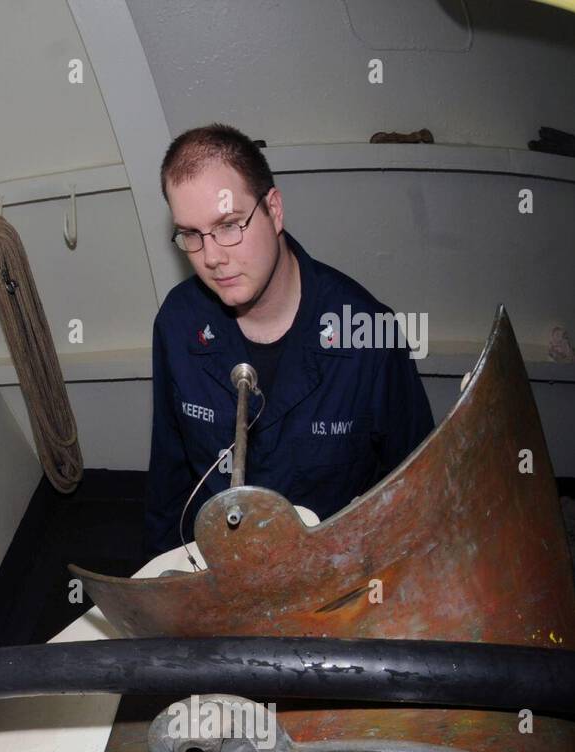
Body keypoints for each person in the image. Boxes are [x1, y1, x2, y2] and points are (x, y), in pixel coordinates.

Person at [143, 123, 434, 562]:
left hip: (336, 574)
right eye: (191, 234)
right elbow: (168, 477)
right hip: (222, 568)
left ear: (274, 210)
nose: (212, 257)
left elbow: (417, 488)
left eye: (228, 225)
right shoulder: (176, 325)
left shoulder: (369, 333)